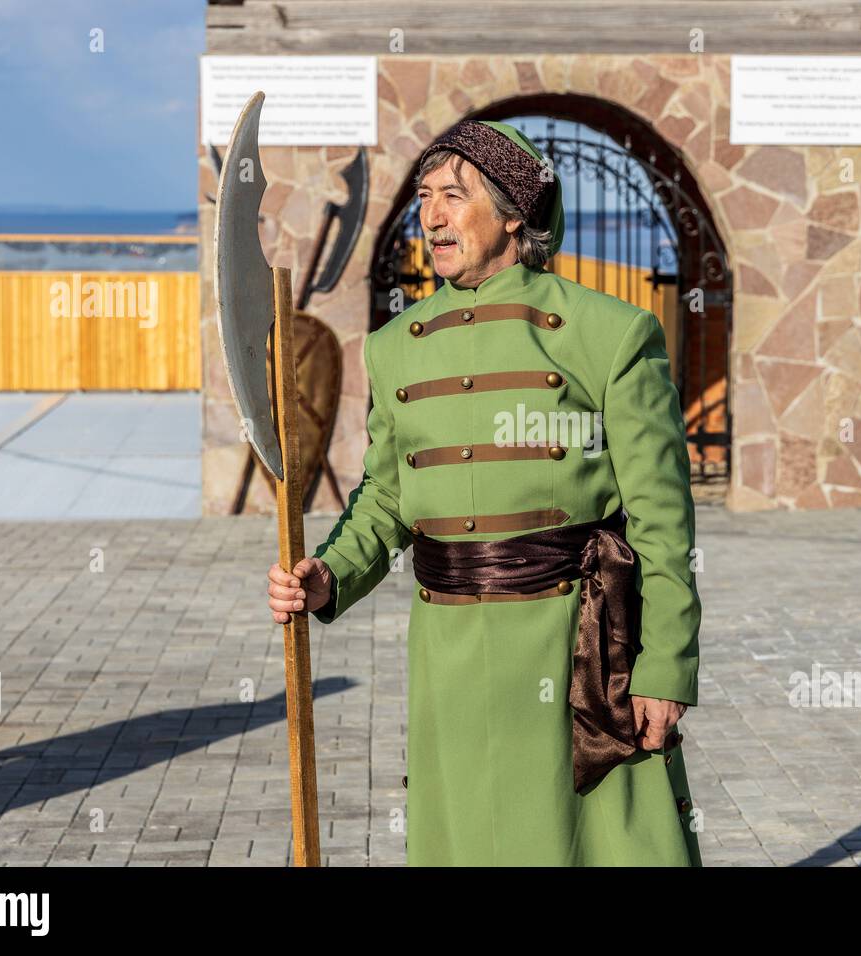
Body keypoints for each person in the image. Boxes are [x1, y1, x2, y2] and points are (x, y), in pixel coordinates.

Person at [267, 119, 702, 865]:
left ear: (513, 215)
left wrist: (664, 667)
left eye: (453, 195)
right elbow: (386, 497)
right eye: (423, 196)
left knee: (595, 844)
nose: (431, 215)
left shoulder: (611, 334)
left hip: (577, 645)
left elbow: (662, 519)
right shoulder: (395, 348)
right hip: (449, 651)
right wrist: (329, 574)